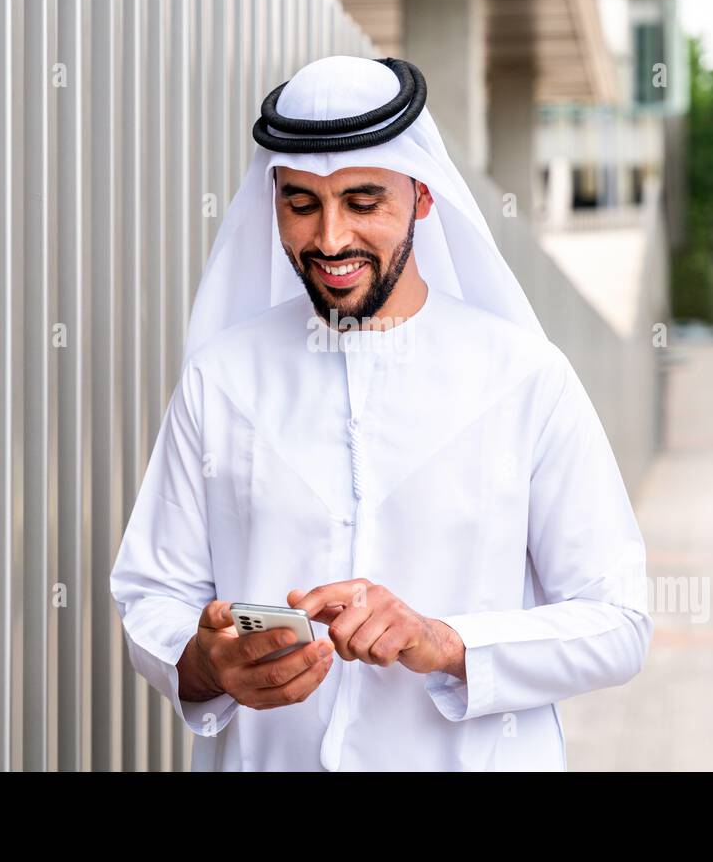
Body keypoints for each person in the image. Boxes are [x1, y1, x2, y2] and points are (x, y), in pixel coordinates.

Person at [109, 55, 653, 771]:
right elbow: (155, 592)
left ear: (423, 197)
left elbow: (618, 622)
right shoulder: (221, 378)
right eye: (301, 203)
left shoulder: (526, 379)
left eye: (364, 202)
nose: (330, 239)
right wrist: (208, 664)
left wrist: (444, 641)